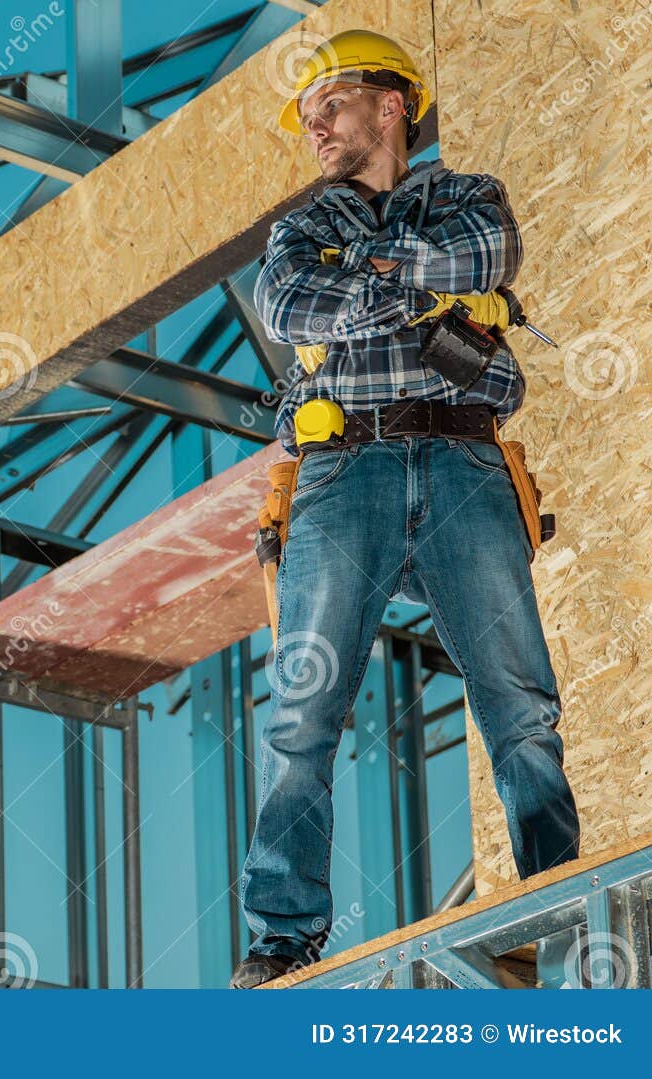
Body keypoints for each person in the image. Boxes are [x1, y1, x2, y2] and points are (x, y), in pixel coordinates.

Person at [228, 30, 581, 989]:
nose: (314, 128)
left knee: (520, 703)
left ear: (392, 105)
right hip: (345, 472)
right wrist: (422, 284)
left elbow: (490, 250)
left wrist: (373, 275)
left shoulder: (469, 196)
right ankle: (283, 935)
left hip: (466, 457)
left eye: (329, 106)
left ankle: (568, 911)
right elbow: (296, 308)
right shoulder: (299, 231)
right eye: (305, 117)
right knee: (304, 709)